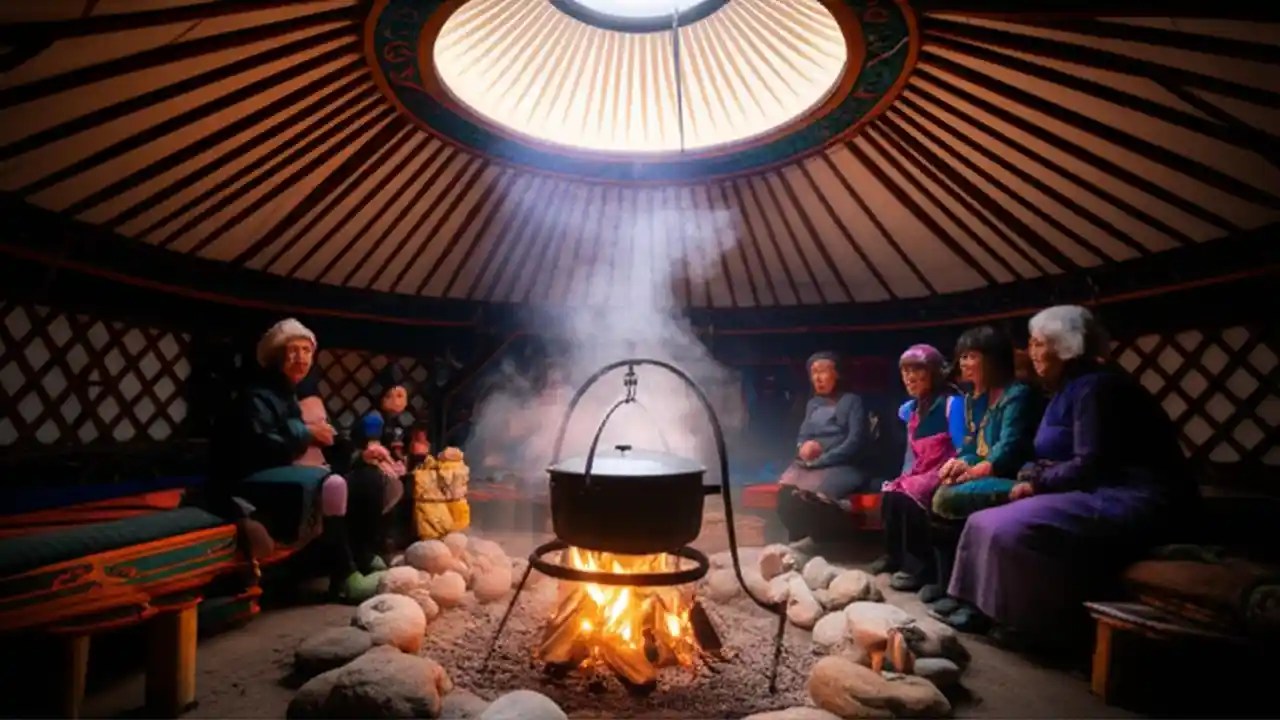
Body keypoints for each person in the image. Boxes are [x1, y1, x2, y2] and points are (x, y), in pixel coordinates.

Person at [945, 306, 1198, 645]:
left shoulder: (1096, 388)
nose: (1031, 353)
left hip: (1131, 495)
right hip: (1089, 489)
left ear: (1067, 345)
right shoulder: (1066, 389)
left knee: (1005, 528)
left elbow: (1092, 464)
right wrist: (1036, 474)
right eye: (1031, 344)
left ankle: (1032, 625)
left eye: (1039, 343)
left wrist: (1036, 481)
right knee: (982, 521)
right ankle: (980, 608)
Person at [213, 318, 383, 603]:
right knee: (333, 484)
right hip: (249, 474)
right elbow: (260, 443)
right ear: (276, 356)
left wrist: (353, 453)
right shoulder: (256, 394)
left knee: (365, 475)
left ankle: (363, 557)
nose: (301, 358)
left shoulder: (287, 394)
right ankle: (344, 577)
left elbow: (305, 438)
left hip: (277, 467)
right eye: (293, 351)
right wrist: (306, 433)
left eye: (306, 351)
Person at [873, 344, 959, 591]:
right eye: (905, 371)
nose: (909, 377)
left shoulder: (951, 405)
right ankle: (894, 555)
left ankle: (919, 567)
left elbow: (962, 445)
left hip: (945, 468)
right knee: (892, 492)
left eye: (917, 370)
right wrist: (905, 476)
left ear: (933, 372)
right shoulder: (909, 410)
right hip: (922, 468)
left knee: (911, 497)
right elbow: (911, 453)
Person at [776, 351, 880, 547]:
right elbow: (803, 435)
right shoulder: (813, 404)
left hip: (846, 465)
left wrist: (823, 460)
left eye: (823, 371)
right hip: (810, 465)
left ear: (837, 374)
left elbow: (855, 441)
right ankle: (798, 537)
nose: (818, 377)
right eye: (814, 372)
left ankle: (828, 543)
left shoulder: (852, 401)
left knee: (818, 497)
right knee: (788, 491)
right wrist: (802, 448)